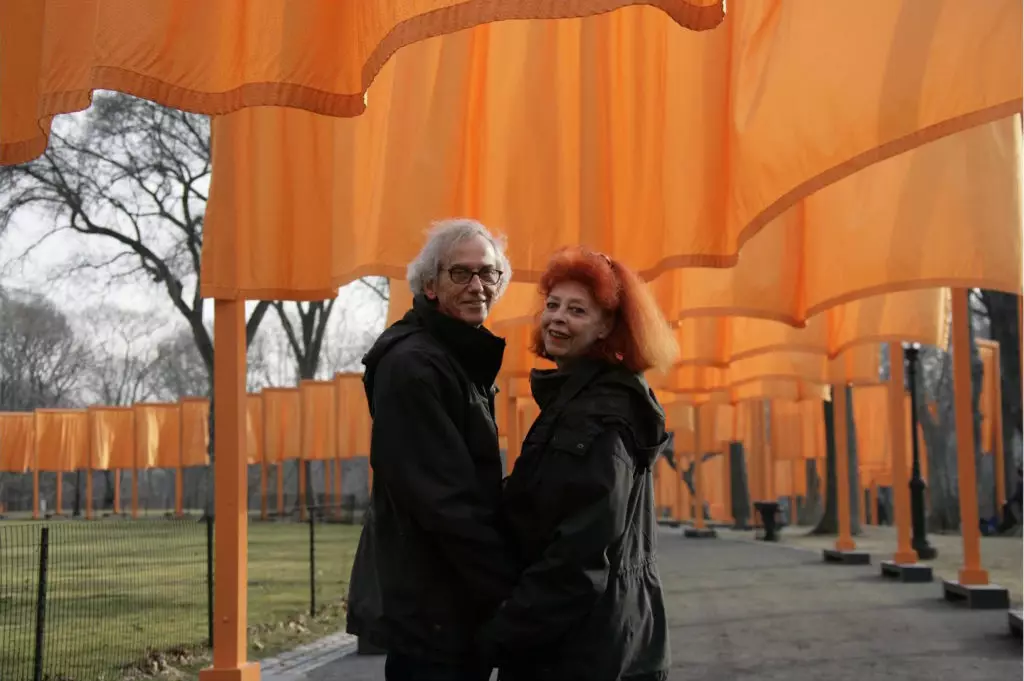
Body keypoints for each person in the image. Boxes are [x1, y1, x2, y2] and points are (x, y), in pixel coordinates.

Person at [476, 246, 680, 681]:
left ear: (608, 327)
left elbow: (583, 551)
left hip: (580, 651)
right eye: (552, 305)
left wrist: (503, 634)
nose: (557, 319)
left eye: (577, 311)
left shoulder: (600, 415)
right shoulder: (579, 400)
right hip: (604, 637)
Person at [346, 218, 519, 681]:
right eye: (460, 273)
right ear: (430, 286)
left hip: (449, 598)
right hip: (435, 606)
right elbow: (444, 500)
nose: (478, 285)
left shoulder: (454, 357)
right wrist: (509, 590)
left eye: (488, 273)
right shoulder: (415, 365)